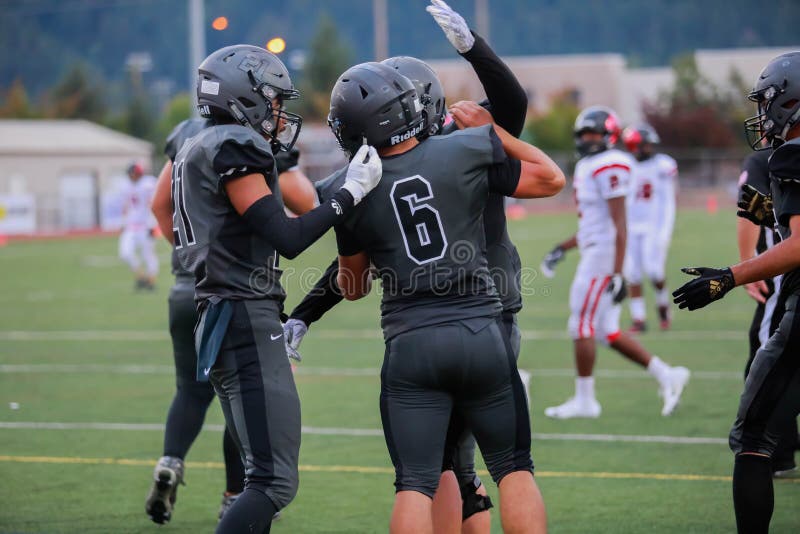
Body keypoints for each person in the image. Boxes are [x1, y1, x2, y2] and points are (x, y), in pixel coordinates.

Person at [283, 2, 529, 529]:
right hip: (484, 320)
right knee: (473, 468)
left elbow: (354, 267)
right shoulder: (461, 147)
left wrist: (305, 313)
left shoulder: (454, 147)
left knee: (445, 468)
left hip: (463, 318)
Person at [150, 44, 382, 534]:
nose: (279, 111)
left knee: (260, 476)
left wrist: (349, 182)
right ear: (243, 97)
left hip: (219, 312)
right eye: (272, 99)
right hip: (243, 316)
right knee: (273, 482)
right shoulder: (236, 145)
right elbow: (289, 237)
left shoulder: (196, 143)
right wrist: (349, 195)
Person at [328, 60, 564, 534]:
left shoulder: (344, 188)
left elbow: (352, 288)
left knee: (415, 483)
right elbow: (551, 177)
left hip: (411, 343)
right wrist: (496, 132)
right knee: (513, 469)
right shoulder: (464, 149)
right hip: (481, 331)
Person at [145, 117, 317, 524]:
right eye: (272, 99)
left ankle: (171, 460)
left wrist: (196, 254)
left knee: (191, 390)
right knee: (251, 420)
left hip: (189, 289)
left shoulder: (189, 135)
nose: (278, 112)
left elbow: (158, 204)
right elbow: (305, 204)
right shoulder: (245, 143)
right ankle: (232, 493)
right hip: (235, 294)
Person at [674, 51, 800, 534]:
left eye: (770, 101)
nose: (764, 113)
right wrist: (775, 217)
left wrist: (729, 276)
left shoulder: (790, 154)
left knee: (752, 438)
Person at [540, 106, 689, 419]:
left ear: (609, 136)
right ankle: (667, 374)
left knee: (580, 324)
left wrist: (619, 272)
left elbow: (620, 224)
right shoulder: (590, 164)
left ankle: (585, 401)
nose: (589, 139)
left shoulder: (611, 163)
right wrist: (562, 247)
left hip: (604, 255)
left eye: (595, 133)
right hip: (598, 248)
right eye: (584, 134)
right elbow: (594, 225)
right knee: (606, 330)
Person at [736, 149, 798, 478]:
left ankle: (774, 453)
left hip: (787, 276)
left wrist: (744, 269)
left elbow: (750, 211)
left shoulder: (771, 158)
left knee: (767, 361)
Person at [621, 123, 677, 332]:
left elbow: (669, 199)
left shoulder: (662, 165)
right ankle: (639, 319)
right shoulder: (624, 165)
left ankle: (663, 305)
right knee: (632, 273)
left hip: (653, 226)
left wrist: (665, 228)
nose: (648, 149)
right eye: (644, 145)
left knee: (654, 272)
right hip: (630, 227)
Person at [118, 162, 159, 290]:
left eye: (133, 174)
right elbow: (126, 206)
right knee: (125, 253)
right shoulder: (126, 185)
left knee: (148, 254)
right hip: (131, 225)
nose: (131, 176)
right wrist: (123, 222)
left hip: (146, 225)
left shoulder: (149, 184)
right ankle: (141, 276)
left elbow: (154, 204)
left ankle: (151, 281)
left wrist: (153, 224)